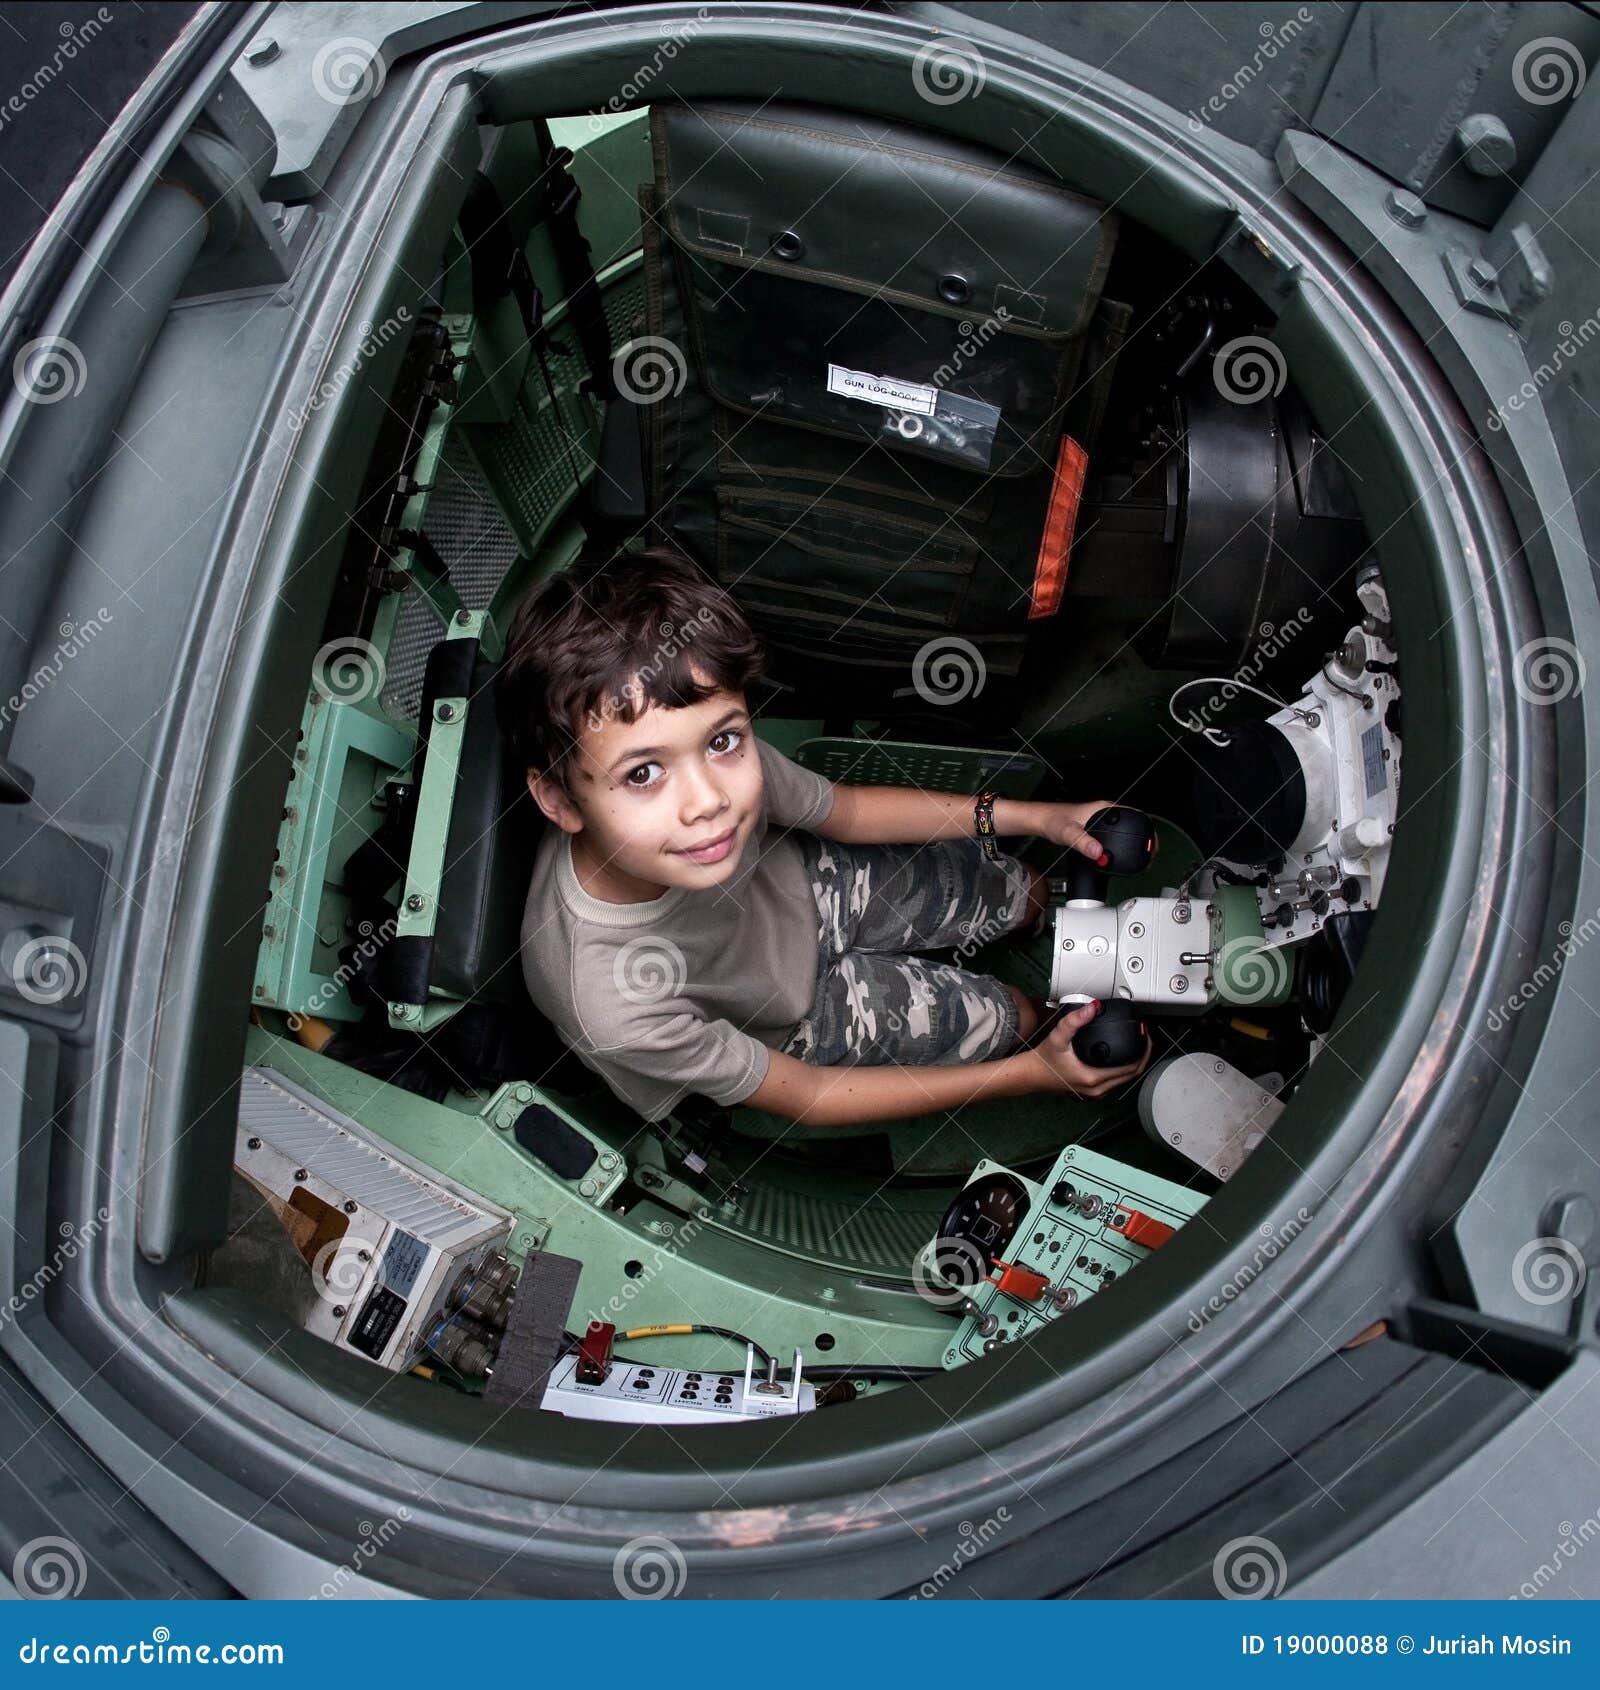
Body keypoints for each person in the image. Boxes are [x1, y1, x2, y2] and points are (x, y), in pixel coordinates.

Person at [496, 547, 1150, 1128]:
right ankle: (1027, 1013)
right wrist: (1037, 1073)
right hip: (788, 1018)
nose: (709, 802)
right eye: (642, 773)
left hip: (805, 884)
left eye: (724, 740)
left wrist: (1038, 819)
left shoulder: (713, 770)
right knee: (1016, 1019)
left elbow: (852, 811)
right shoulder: (609, 1005)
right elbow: (809, 1095)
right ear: (559, 798)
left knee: (1023, 890)